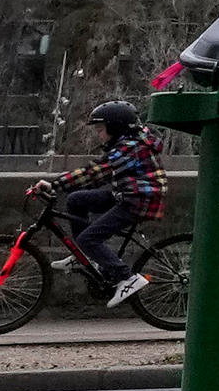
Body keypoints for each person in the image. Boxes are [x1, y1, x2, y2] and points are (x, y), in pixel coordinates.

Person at [39, 99, 168, 307]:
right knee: (76, 200)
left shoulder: (130, 148)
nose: (99, 135)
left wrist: (54, 185)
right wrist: (66, 186)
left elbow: (95, 171)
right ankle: (86, 256)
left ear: (116, 127)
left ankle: (126, 278)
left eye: (101, 130)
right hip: (125, 193)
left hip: (138, 200)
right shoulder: (129, 142)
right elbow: (100, 177)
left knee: (88, 239)